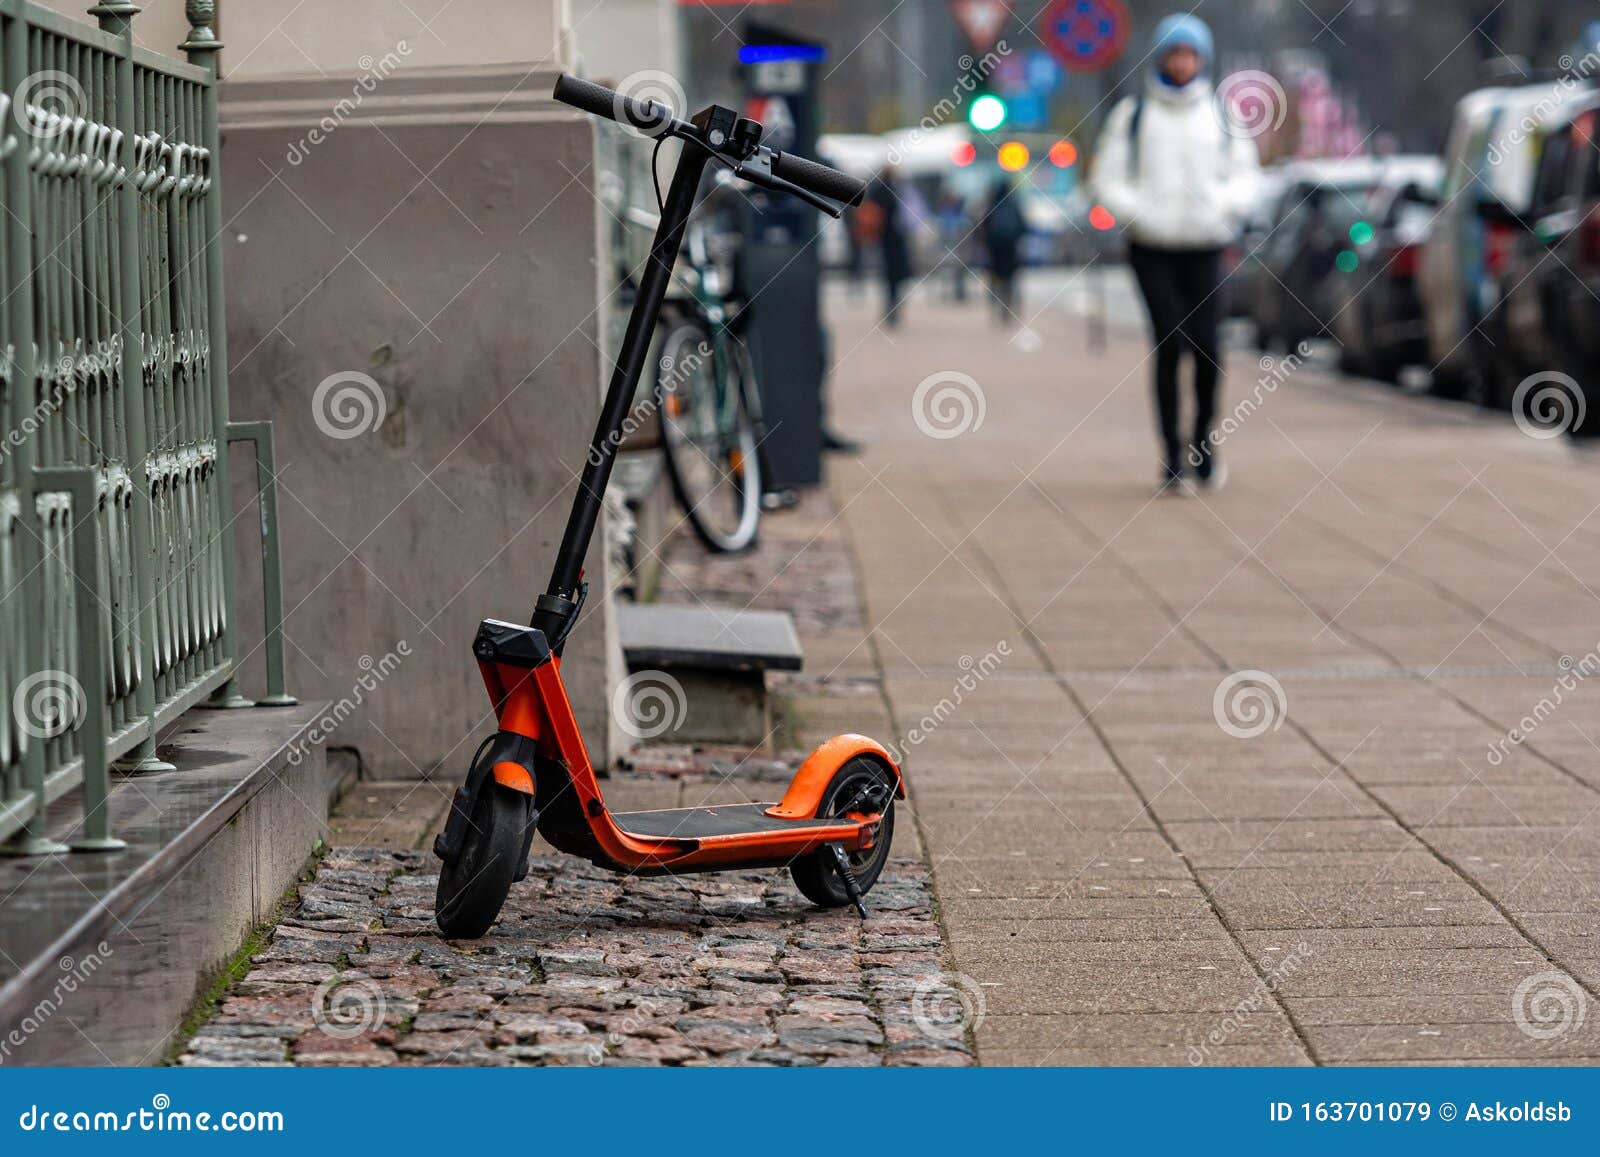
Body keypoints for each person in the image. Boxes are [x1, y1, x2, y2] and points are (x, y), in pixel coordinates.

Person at [1089, 13, 1260, 494]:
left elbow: (1246, 176)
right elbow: (1106, 179)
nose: (1182, 63)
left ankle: (1204, 442)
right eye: (1174, 53)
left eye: (1190, 54)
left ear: (1201, 59)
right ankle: (1171, 455)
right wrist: (1137, 212)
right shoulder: (1135, 115)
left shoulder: (1222, 117)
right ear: (1161, 57)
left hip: (1207, 244)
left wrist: (1226, 207)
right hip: (1152, 247)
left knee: (1209, 346)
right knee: (1170, 343)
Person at [865, 165, 912, 327]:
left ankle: (890, 308)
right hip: (893, 240)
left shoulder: (876, 190)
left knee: (888, 276)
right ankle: (893, 308)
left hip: (883, 239)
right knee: (895, 276)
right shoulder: (893, 190)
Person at [981, 176, 1026, 325]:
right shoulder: (1013, 206)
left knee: (995, 279)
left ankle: (995, 302)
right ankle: (1007, 307)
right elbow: (1023, 227)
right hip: (1011, 251)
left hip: (994, 252)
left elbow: (982, 229)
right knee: (1009, 281)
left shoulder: (992, 206)